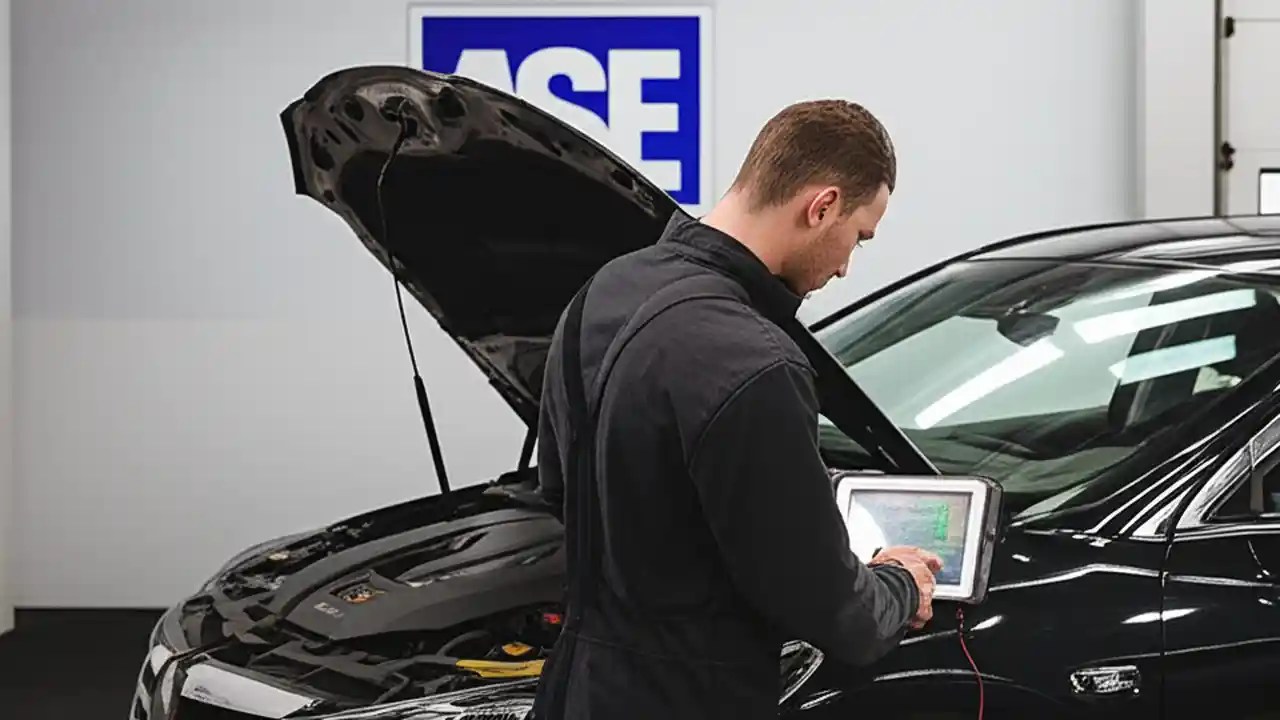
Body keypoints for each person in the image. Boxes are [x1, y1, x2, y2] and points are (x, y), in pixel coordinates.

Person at [530, 99, 941, 720]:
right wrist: (899, 582)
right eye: (856, 237)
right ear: (821, 206)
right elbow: (831, 609)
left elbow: (558, 487)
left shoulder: (603, 291)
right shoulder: (754, 361)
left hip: (573, 692)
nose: (845, 268)